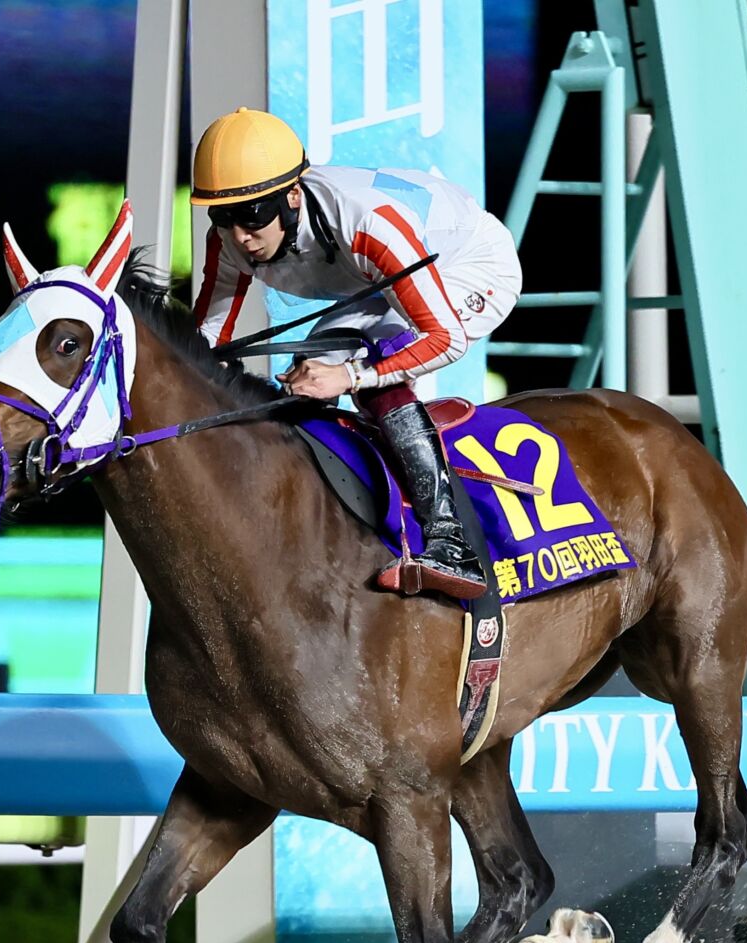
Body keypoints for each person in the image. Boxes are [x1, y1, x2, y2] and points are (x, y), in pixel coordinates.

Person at [190, 108, 523, 601]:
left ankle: (451, 541)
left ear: (293, 196)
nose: (240, 234)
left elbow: (444, 338)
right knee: (304, 374)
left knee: (371, 364)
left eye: (253, 215)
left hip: (468, 265)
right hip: (381, 282)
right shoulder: (232, 242)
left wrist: (348, 377)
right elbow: (207, 342)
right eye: (224, 216)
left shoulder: (367, 224)